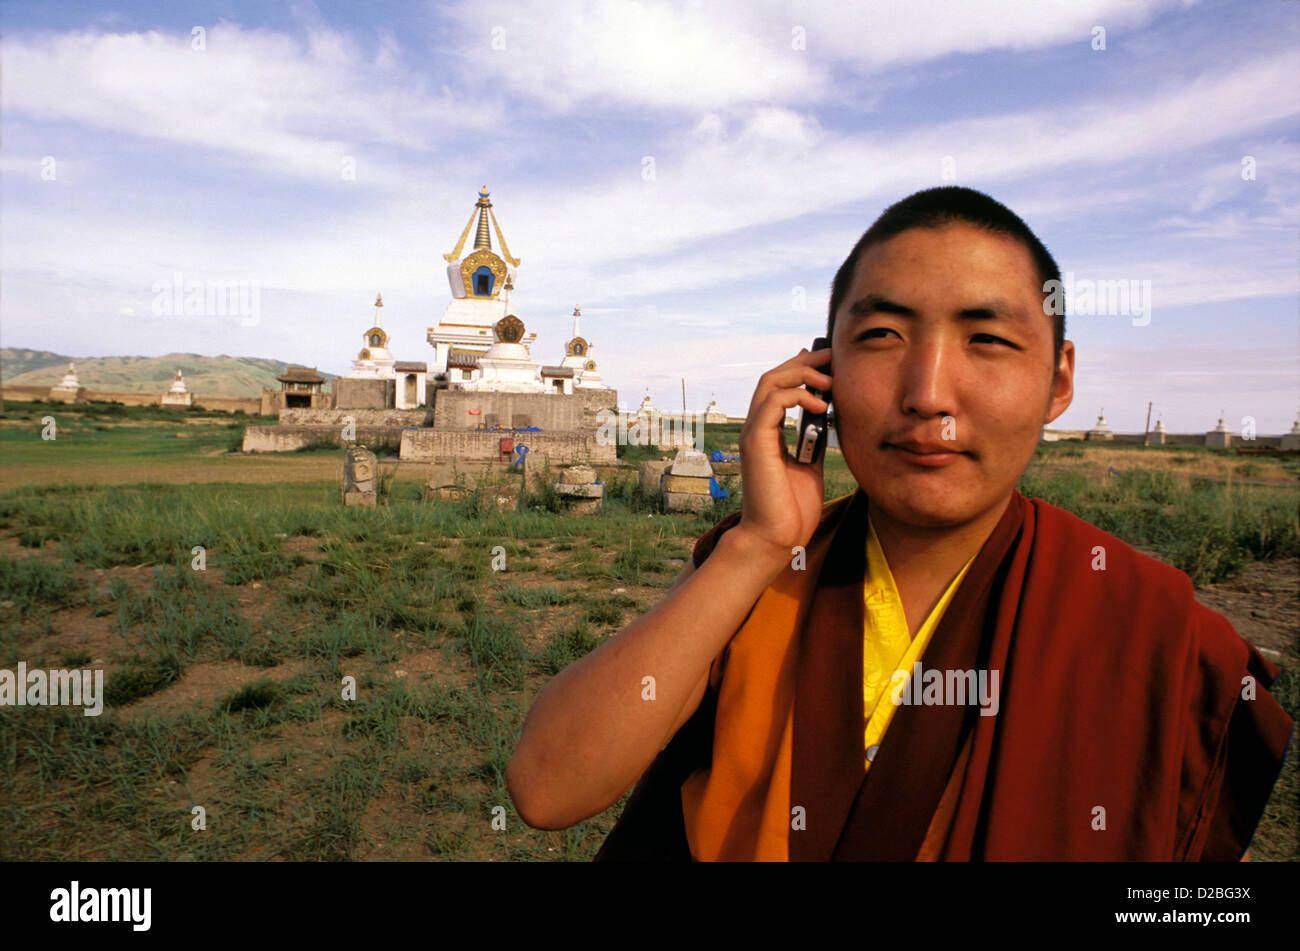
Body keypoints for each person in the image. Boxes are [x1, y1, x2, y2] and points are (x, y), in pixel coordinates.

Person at [506, 186, 1294, 861]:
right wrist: (756, 543)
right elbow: (545, 787)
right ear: (821, 372)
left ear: (1058, 380)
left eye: (987, 339)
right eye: (882, 337)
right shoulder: (759, 576)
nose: (928, 394)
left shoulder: (1145, 624)